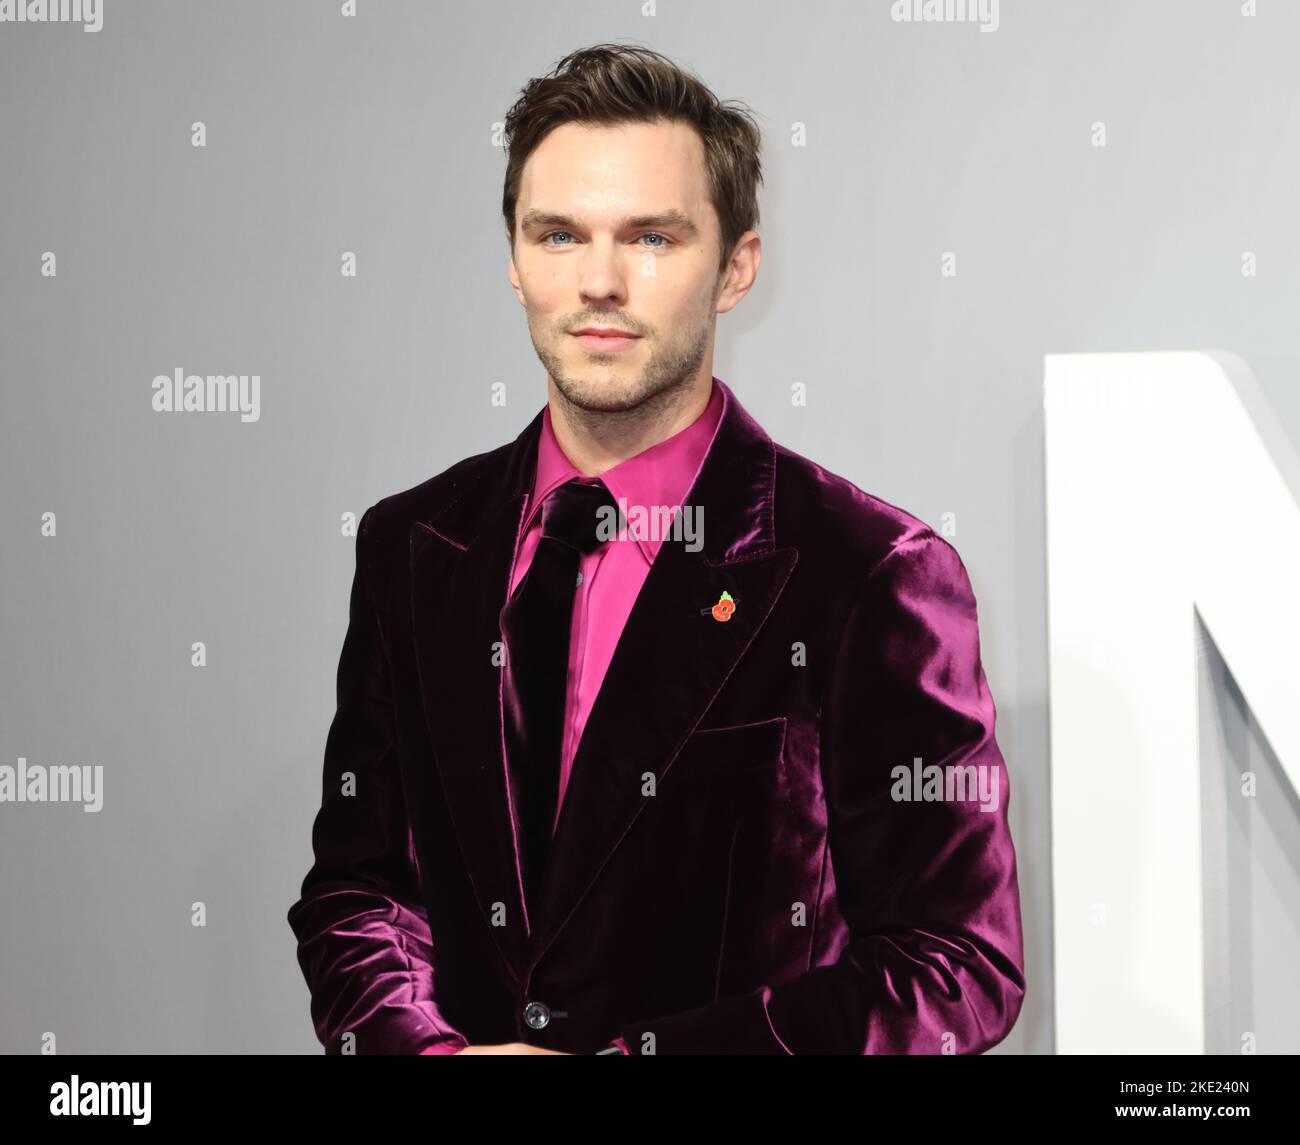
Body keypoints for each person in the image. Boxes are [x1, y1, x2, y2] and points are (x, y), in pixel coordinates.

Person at [286, 42, 1025, 1056]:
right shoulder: (414, 544)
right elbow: (361, 889)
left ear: (735, 267)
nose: (597, 281)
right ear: (512, 260)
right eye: (557, 234)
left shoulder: (867, 570)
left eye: (650, 238)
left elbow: (954, 964)